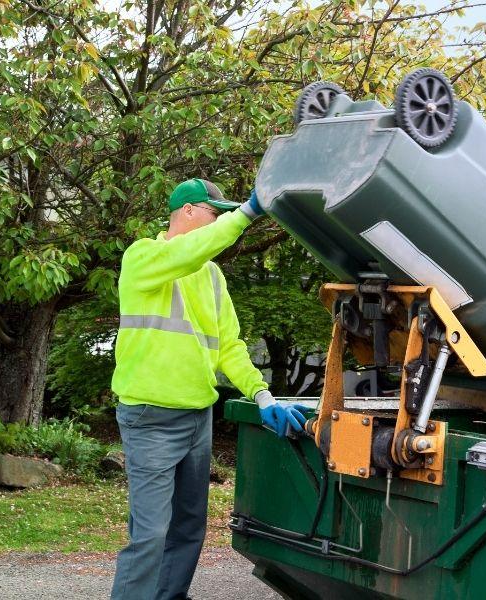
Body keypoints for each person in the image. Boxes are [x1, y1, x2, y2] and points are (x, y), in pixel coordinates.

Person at [110, 178, 307, 600]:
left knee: (188, 527)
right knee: (149, 535)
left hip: (197, 417)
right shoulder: (143, 257)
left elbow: (230, 347)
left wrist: (261, 394)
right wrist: (248, 214)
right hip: (150, 417)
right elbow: (189, 251)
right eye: (214, 213)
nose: (219, 222)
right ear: (187, 212)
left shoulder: (212, 277)